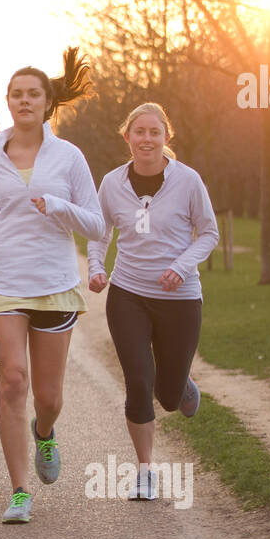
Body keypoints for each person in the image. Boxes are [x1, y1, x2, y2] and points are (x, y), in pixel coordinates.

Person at [0, 64, 105, 524]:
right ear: (8, 101)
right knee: (13, 380)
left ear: (46, 102)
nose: (24, 101)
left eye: (32, 94)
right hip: (3, 282)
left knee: (48, 396)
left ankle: (45, 432)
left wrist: (59, 207)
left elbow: (98, 224)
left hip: (55, 283)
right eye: (16, 94)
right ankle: (20, 491)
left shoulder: (68, 157)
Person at [88, 103, 218, 499]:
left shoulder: (188, 181)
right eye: (139, 132)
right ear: (127, 137)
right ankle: (145, 471)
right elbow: (99, 231)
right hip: (128, 294)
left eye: (154, 132)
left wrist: (181, 266)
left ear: (166, 137)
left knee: (167, 395)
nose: (146, 139)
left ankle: (179, 385)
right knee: (139, 381)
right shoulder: (111, 183)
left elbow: (209, 233)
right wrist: (95, 267)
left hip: (179, 297)